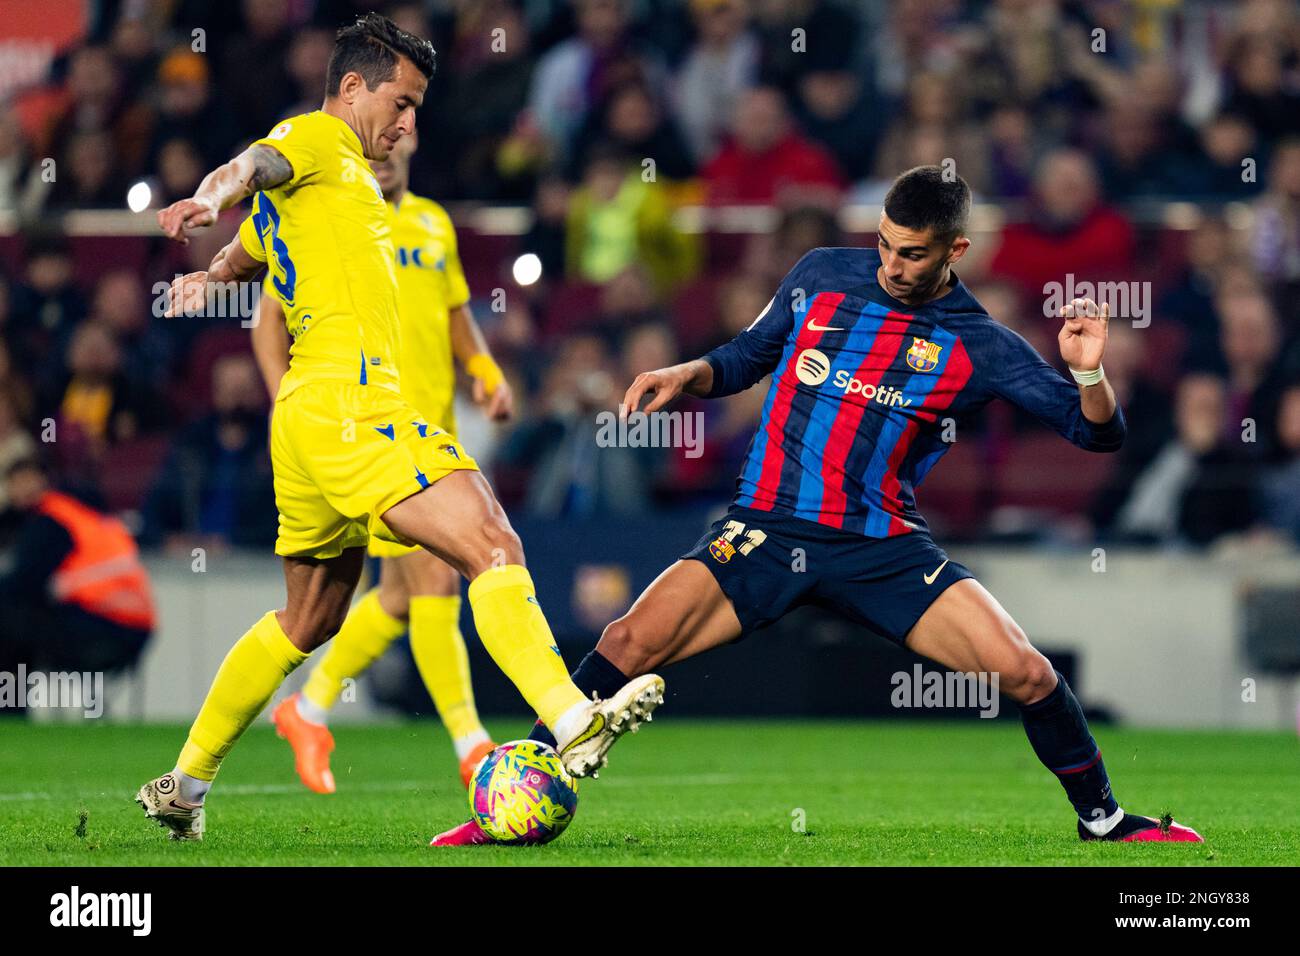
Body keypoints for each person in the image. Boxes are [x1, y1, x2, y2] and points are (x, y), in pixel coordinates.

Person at [433, 165, 1201, 846]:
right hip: (765, 528)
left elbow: (1096, 437)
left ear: (955, 252)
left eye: (914, 253)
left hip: (882, 550)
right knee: (627, 639)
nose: (895, 265)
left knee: (1028, 674)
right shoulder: (821, 275)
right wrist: (688, 372)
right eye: (887, 246)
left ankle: (1104, 820)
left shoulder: (982, 344)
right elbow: (746, 358)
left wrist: (1090, 375)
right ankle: (513, 799)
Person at [137, 13, 662, 843]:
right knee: (492, 543)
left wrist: (211, 273)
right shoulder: (313, 138)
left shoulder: (327, 193)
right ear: (352, 88)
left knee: (308, 620)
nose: (410, 124)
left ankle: (186, 782)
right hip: (354, 402)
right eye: (403, 102)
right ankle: (570, 719)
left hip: (309, 418)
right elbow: (253, 164)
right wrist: (208, 194)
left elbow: (251, 246)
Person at [250, 128, 510, 791]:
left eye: (401, 139)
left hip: (435, 430)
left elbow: (456, 313)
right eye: (377, 143)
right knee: (436, 583)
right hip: (367, 433)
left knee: (396, 597)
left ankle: (306, 709)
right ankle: (471, 743)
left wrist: (482, 366)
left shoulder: (432, 223)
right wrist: (291, 407)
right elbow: (269, 320)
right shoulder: (331, 215)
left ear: (415, 144)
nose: (388, 152)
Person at [0, 458, 154, 698]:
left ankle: (11, 708)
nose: (19, 489)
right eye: (14, 482)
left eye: (24, 480)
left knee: (9, 620)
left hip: (101, 628)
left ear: (43, 481)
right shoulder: (78, 512)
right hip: (133, 628)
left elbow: (25, 582)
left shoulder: (51, 520)